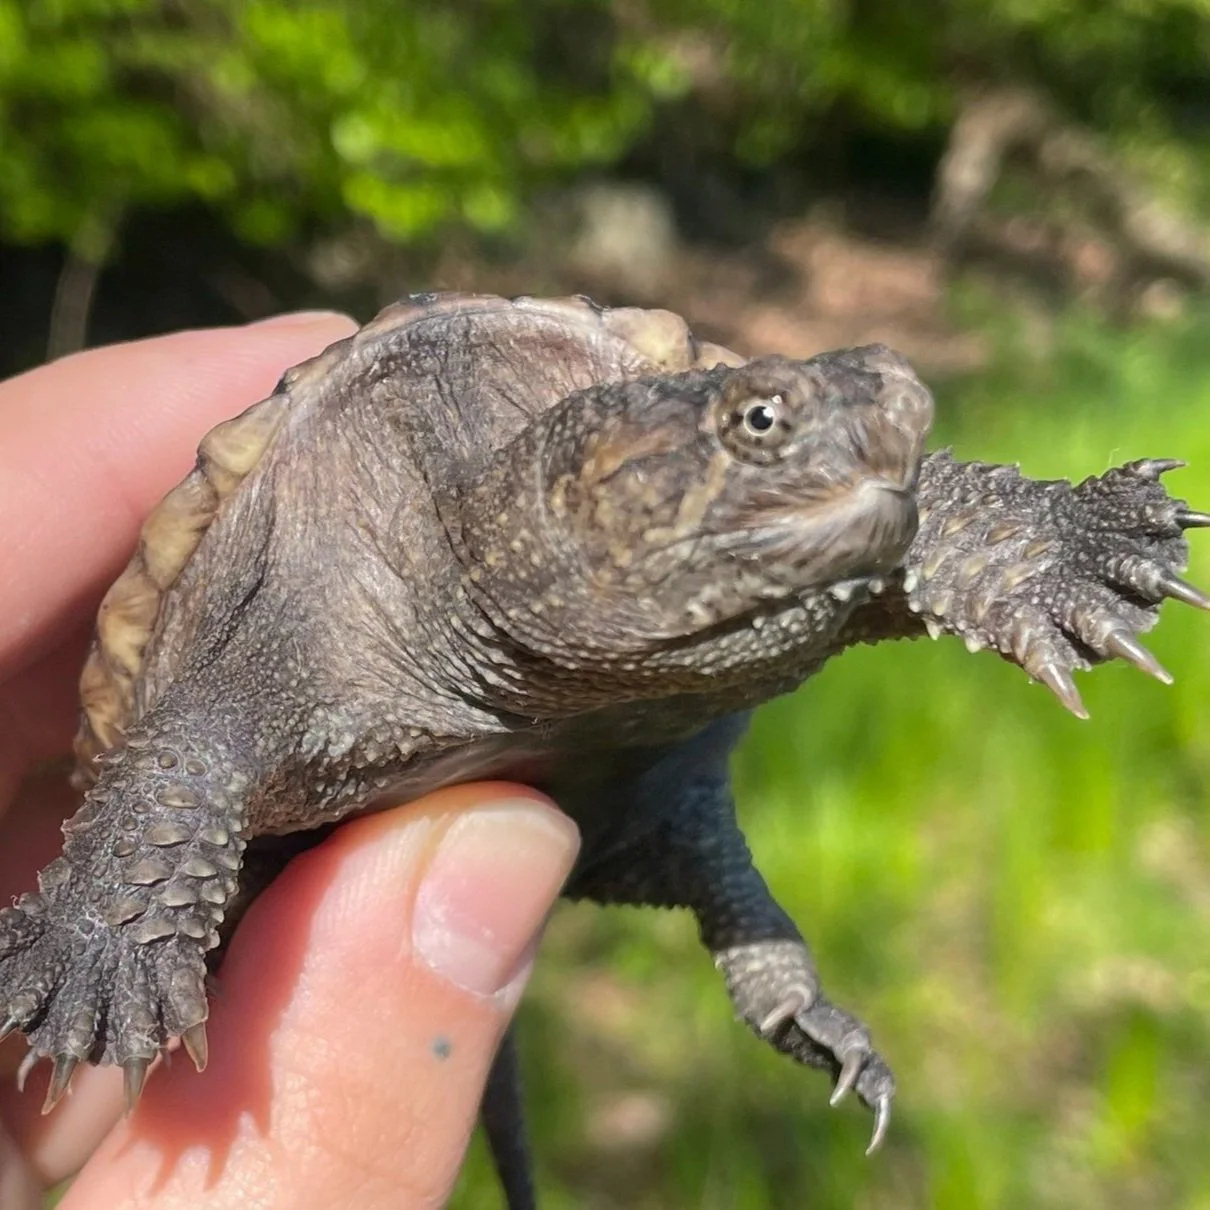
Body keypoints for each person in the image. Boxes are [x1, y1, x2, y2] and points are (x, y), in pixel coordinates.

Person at [0, 312, 580, 1210]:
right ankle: (91, 932)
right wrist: (110, 924)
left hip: (505, 746)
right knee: (157, 850)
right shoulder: (329, 549)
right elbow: (197, 733)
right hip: (240, 730)